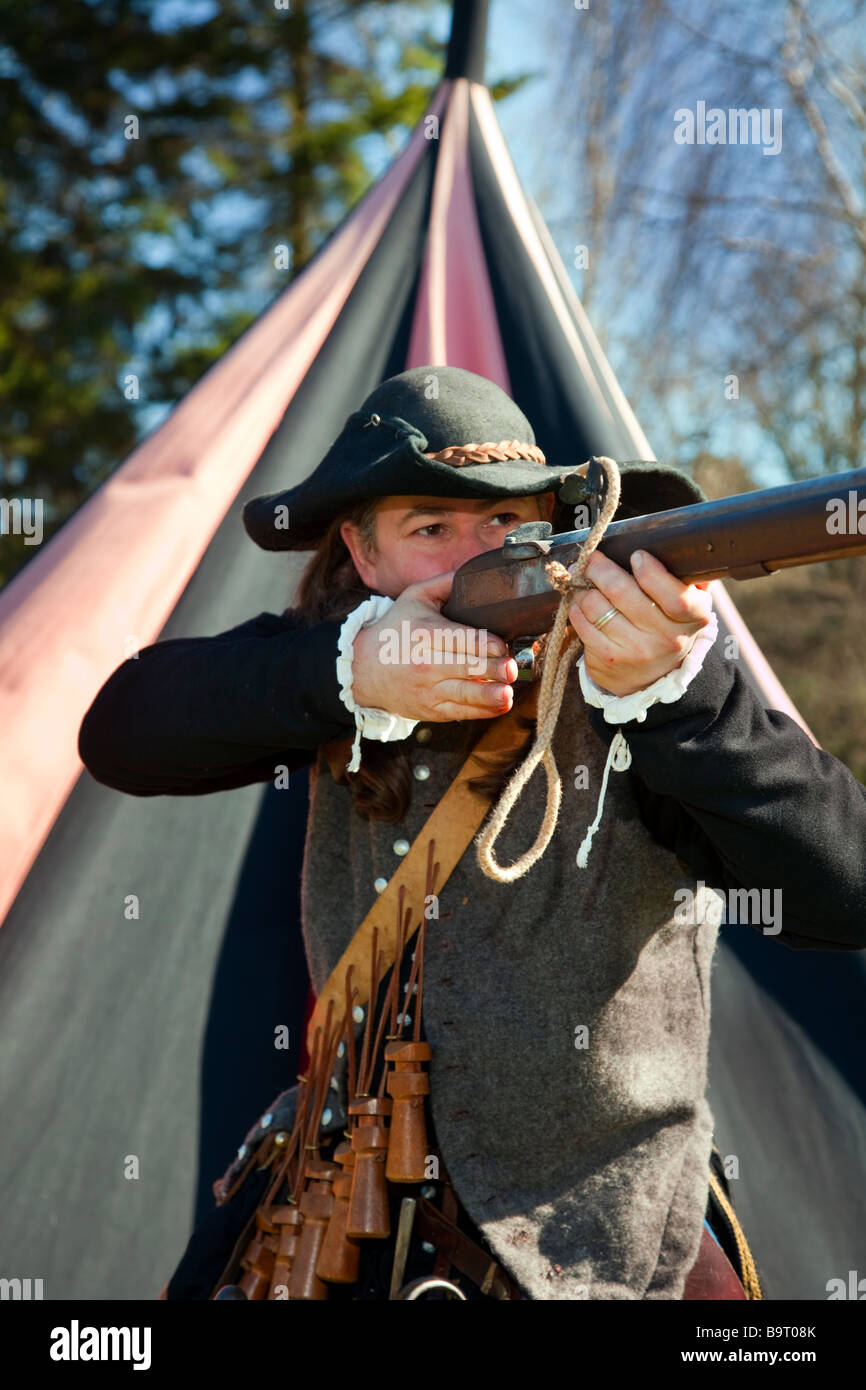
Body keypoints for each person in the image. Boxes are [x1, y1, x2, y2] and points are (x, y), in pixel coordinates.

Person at [78, 365, 866, 1301]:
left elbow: (843, 888)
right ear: (362, 559)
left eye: (504, 522)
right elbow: (121, 732)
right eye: (431, 529)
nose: (477, 554)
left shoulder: (644, 679)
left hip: (606, 1225)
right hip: (346, 1192)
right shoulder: (336, 661)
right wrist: (352, 674)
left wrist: (686, 700)